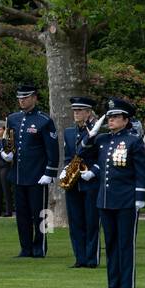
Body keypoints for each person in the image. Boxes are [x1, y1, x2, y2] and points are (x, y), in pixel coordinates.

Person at [87, 98, 145, 288]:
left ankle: (126, 283)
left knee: (125, 243)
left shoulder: (133, 141)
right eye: (109, 116)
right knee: (111, 243)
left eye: (116, 117)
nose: (111, 120)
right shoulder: (103, 140)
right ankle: (113, 282)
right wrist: (91, 134)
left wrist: (140, 197)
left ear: (125, 120)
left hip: (126, 199)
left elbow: (142, 171)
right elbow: (82, 154)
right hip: (105, 199)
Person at [4, 83, 59, 258]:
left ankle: (41, 247)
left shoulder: (44, 120)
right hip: (19, 174)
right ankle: (25, 248)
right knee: (22, 215)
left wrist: (50, 173)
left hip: (38, 175)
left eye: (25, 97)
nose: (22, 101)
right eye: (20, 98)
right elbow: (9, 143)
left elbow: (52, 149)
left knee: (43, 214)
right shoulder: (12, 118)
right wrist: (7, 154)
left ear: (34, 98)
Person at [61, 96, 101, 268]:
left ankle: (92, 259)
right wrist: (65, 169)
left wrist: (93, 172)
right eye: (74, 111)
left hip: (90, 182)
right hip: (73, 182)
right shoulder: (69, 132)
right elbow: (69, 156)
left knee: (91, 221)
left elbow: (102, 158)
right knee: (75, 221)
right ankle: (80, 258)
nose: (76, 114)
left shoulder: (98, 132)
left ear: (88, 112)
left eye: (79, 111)